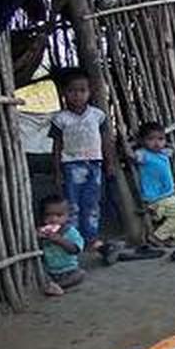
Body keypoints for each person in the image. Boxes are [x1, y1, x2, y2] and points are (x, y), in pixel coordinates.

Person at [50, 71, 113, 256]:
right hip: (71, 165)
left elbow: (105, 140)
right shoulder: (60, 119)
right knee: (73, 205)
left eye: (82, 90)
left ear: (90, 92)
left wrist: (109, 163)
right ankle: (74, 237)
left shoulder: (98, 115)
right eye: (72, 91)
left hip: (94, 165)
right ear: (64, 92)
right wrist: (57, 171)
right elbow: (57, 146)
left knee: (92, 203)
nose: (77, 95)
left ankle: (91, 237)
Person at [124, 121, 175, 247]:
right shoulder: (143, 154)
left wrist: (165, 144)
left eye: (160, 139)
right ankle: (157, 237)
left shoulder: (163, 153)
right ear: (142, 141)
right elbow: (131, 156)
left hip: (167, 195)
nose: (156, 143)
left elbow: (174, 148)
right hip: (156, 198)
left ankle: (167, 237)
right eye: (151, 139)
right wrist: (128, 143)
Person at [38, 194, 85, 297]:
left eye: (59, 215)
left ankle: (58, 286)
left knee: (80, 274)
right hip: (49, 271)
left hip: (69, 270)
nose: (53, 219)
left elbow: (75, 250)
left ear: (67, 216)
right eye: (48, 215)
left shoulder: (71, 232)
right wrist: (38, 238)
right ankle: (51, 285)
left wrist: (60, 240)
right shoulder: (42, 231)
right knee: (39, 275)